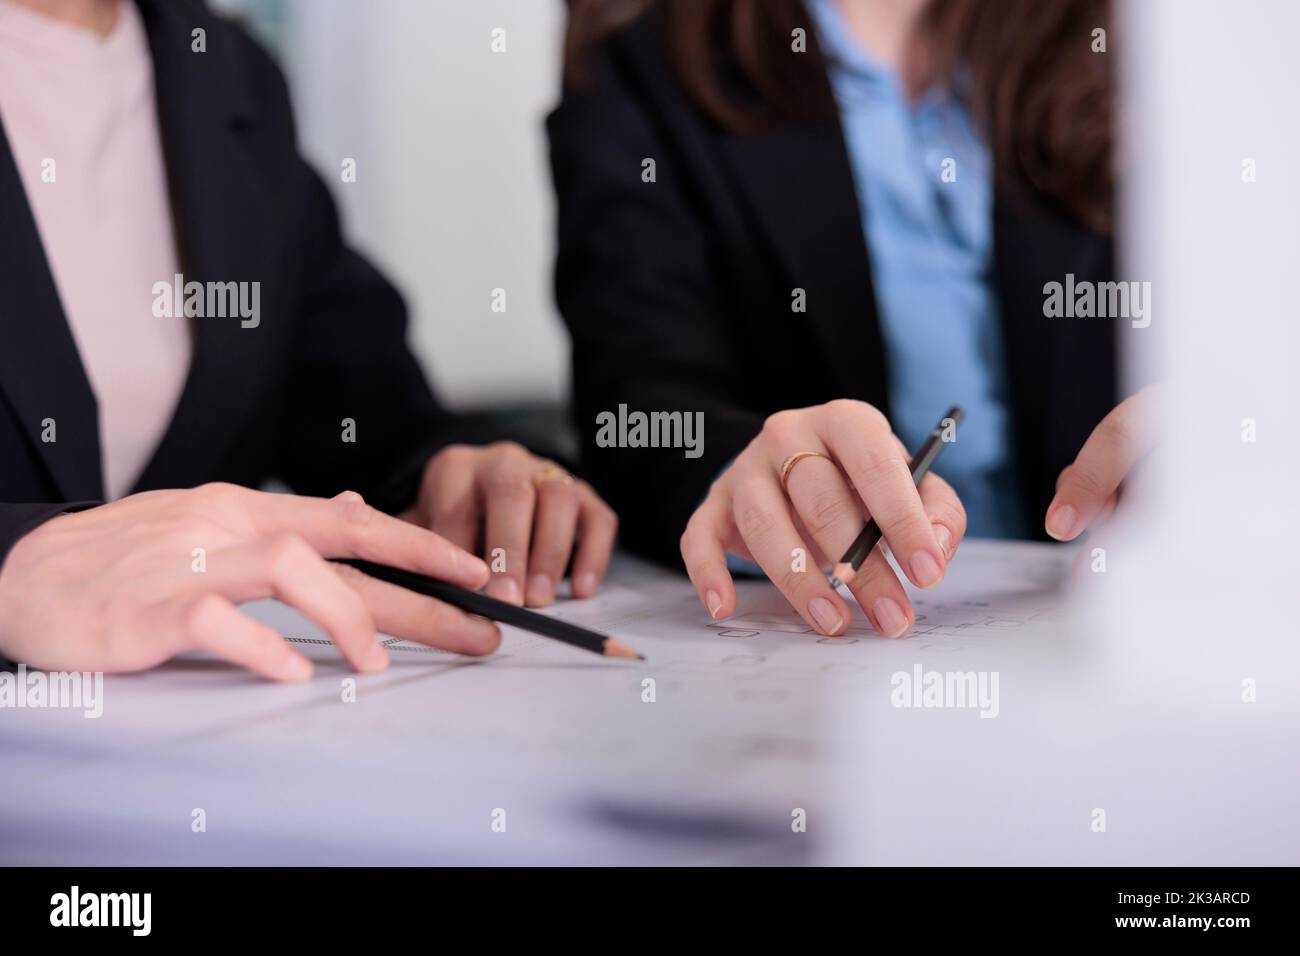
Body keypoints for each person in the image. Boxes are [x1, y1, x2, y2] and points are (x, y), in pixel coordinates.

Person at [0, 0, 617, 680]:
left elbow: (358, 419)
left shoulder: (227, 71)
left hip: (188, 741)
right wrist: (18, 562)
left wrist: (451, 479)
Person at [550, 0, 1147, 639]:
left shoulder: (1140, 40)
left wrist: (1235, 446)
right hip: (817, 650)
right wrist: (739, 473)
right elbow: (636, 404)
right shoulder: (643, 47)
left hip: (1122, 632)